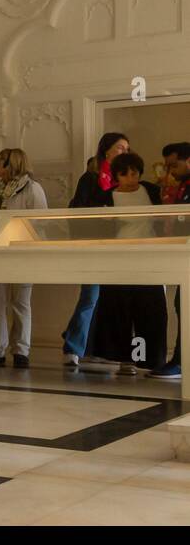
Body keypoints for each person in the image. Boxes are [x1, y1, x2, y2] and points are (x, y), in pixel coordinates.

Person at [88, 152, 167, 375]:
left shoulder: (150, 191)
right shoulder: (106, 197)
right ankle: (125, 359)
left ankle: (148, 359)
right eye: (125, 174)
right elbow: (97, 228)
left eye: (135, 173)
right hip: (119, 257)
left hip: (148, 256)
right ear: (117, 176)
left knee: (149, 309)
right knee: (120, 309)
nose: (131, 178)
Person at [60, 132, 129, 367]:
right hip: (92, 245)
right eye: (120, 148)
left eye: (127, 149)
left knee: (111, 300)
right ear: (107, 150)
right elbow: (79, 211)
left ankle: (92, 344)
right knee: (90, 295)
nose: (124, 153)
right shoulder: (89, 178)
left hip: (118, 247)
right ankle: (73, 347)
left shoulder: (126, 182)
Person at [0, 149, 48, 368]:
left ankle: (21, 350)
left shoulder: (32, 188)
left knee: (20, 302)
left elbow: (42, 221)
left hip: (23, 252)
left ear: (10, 164)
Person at [149, 141, 190, 379]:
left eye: (173, 165)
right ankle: (180, 360)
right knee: (181, 304)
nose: (169, 170)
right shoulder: (181, 185)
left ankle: (181, 362)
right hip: (182, 253)